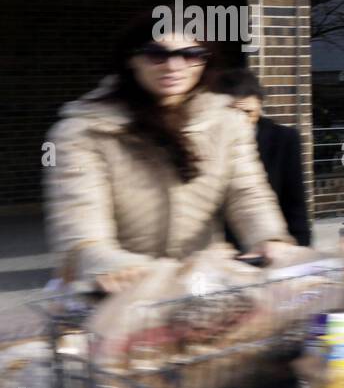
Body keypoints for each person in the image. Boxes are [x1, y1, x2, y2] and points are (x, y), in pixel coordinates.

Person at [45, 19, 296, 292]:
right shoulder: (83, 131)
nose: (174, 66)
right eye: (157, 54)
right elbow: (81, 231)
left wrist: (269, 238)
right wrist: (116, 267)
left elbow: (247, 193)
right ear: (132, 59)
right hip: (119, 291)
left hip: (203, 287)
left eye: (191, 55)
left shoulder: (226, 122)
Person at [215, 68, 311, 247]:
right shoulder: (207, 141)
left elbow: (295, 206)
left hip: (269, 245)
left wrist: (302, 256)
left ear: (259, 105)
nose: (240, 122)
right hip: (220, 251)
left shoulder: (283, 140)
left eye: (247, 113)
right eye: (232, 113)